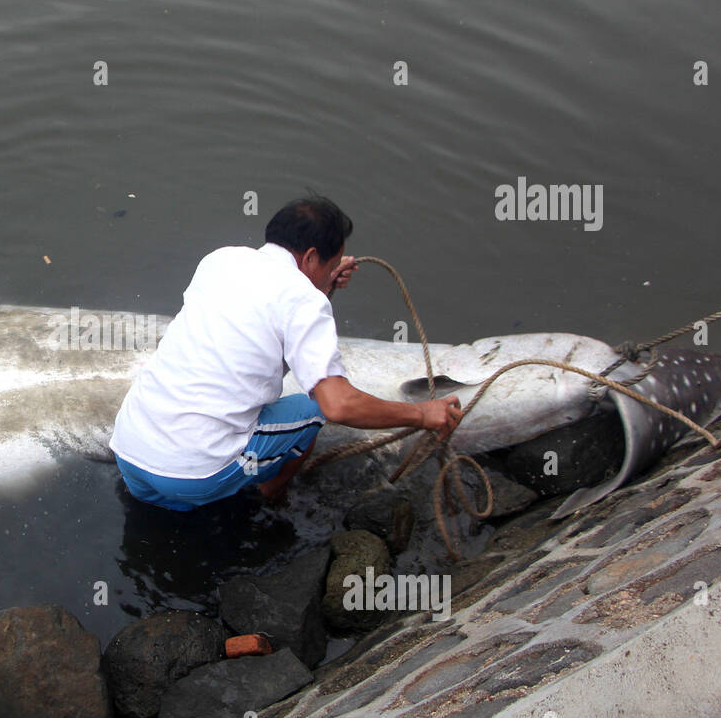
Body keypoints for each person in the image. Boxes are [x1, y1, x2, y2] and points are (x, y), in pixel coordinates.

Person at [109, 195, 463, 511]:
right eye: (331, 263)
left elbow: (273, 314)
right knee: (312, 412)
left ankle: (180, 505)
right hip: (195, 474)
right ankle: (271, 497)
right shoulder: (304, 300)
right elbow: (337, 404)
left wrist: (321, 284)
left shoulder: (220, 260)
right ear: (311, 256)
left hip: (129, 454)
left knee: (171, 499)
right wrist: (420, 415)